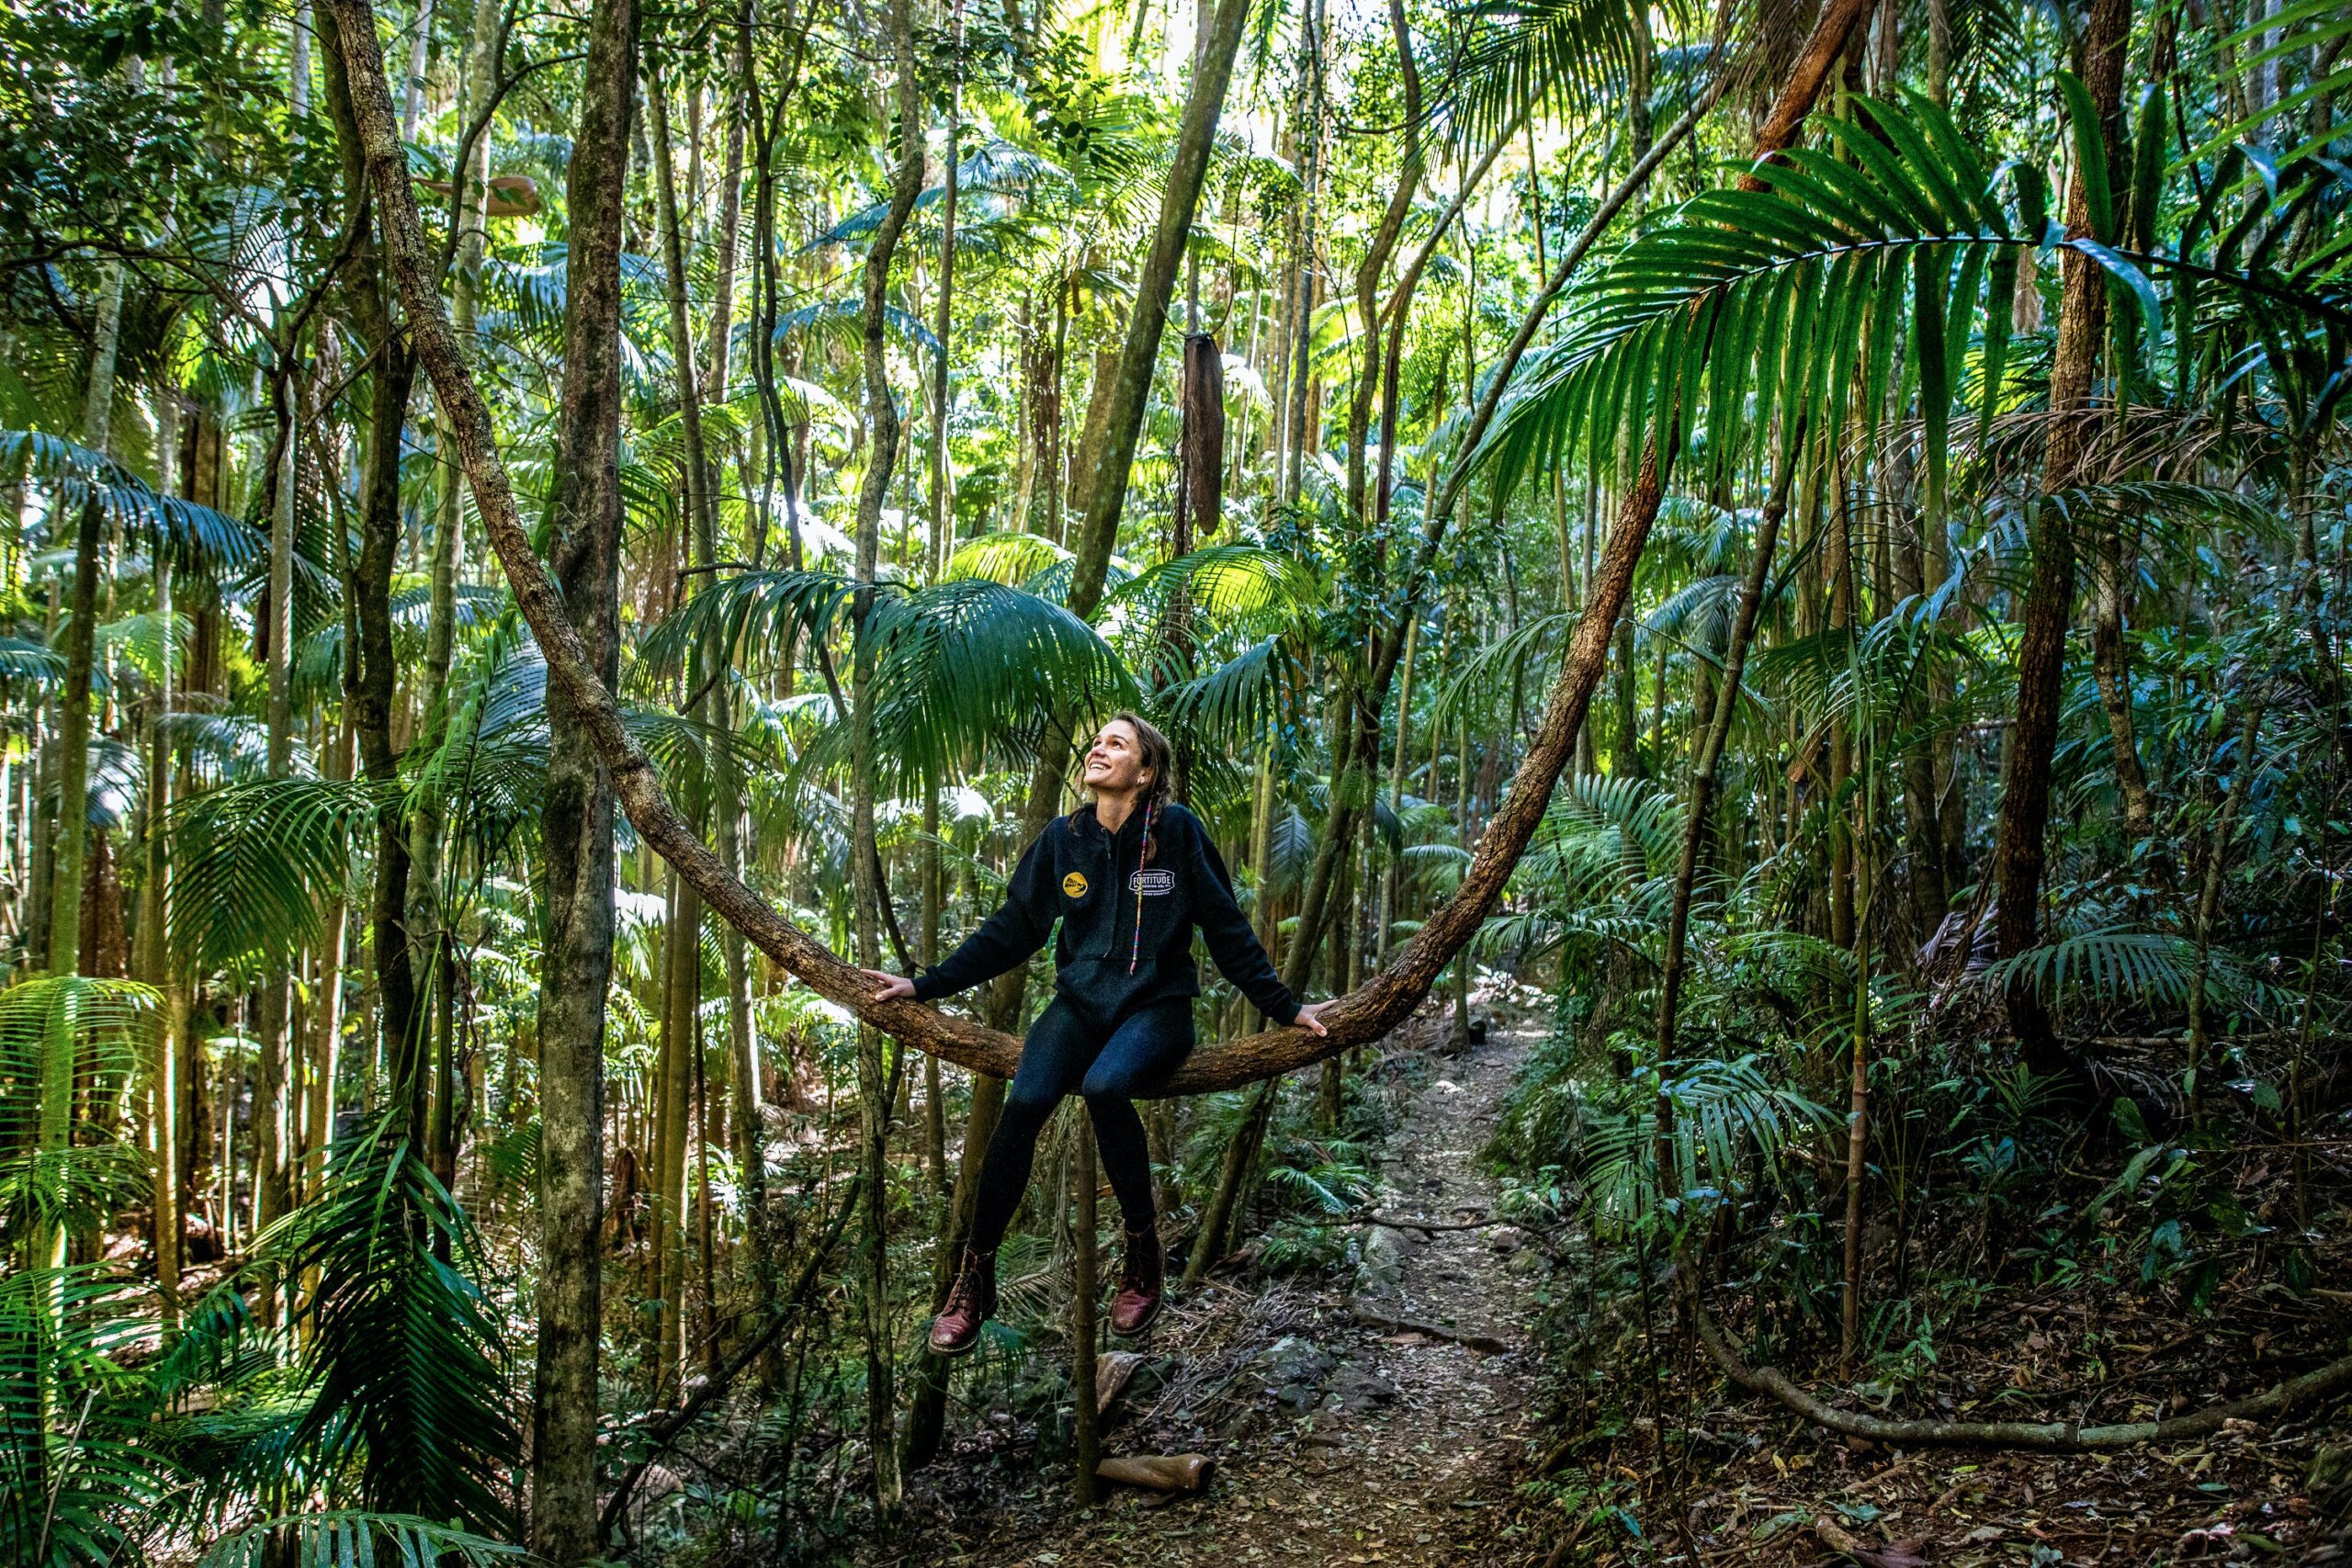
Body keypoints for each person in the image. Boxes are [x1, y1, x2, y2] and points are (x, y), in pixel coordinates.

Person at [865, 712, 1329, 1355]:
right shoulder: (1064, 838)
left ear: (1145, 771)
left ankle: (1143, 1251)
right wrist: (926, 983)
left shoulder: (1177, 831)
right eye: (1097, 740)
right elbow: (1014, 929)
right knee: (1024, 1103)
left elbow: (1226, 928)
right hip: (1079, 1005)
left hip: (1157, 1007)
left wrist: (1283, 1006)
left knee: (1107, 1087)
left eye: (1117, 743)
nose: (1098, 748)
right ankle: (975, 1276)